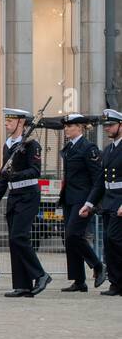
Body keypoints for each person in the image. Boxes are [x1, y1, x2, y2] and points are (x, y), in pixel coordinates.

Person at [0, 108, 51, 297]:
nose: (6, 123)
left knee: (19, 236)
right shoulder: (8, 144)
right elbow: (3, 174)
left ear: (21, 123)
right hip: (14, 195)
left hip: (29, 194)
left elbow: (35, 171)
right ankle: (22, 285)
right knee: (13, 241)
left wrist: (15, 175)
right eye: (6, 120)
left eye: (10, 120)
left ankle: (40, 274)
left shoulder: (32, 144)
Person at [58, 113, 105, 291]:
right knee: (69, 239)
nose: (66, 129)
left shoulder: (89, 148)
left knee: (73, 235)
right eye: (66, 126)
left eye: (70, 126)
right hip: (69, 198)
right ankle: (79, 281)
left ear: (80, 128)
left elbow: (97, 178)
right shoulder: (69, 147)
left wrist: (92, 203)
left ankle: (98, 265)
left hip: (83, 199)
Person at [81, 109, 122, 295]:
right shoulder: (107, 150)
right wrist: (89, 204)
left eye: (111, 125)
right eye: (106, 126)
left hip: (120, 202)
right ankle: (116, 283)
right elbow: (100, 182)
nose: (108, 129)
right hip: (108, 202)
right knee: (108, 242)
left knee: (115, 240)